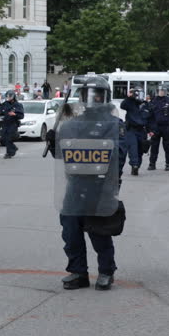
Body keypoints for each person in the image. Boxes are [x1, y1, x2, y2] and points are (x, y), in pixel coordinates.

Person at [47, 75, 126, 291]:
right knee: (71, 231)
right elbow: (61, 155)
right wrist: (54, 141)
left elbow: (119, 155)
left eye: (99, 95)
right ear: (82, 97)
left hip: (101, 186)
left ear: (106, 97)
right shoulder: (72, 124)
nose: (94, 99)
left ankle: (106, 271)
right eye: (90, 95)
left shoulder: (114, 125)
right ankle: (78, 272)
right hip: (75, 185)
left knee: (99, 231)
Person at [147, 85, 169, 171]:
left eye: (163, 90)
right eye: (159, 90)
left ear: (166, 92)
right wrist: (149, 129)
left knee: (167, 147)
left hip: (166, 128)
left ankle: (168, 164)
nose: (161, 92)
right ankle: (152, 164)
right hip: (155, 128)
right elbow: (149, 116)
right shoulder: (153, 101)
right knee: (154, 147)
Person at [120, 88, 149, 175]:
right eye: (137, 94)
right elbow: (123, 105)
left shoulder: (146, 105)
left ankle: (137, 165)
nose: (139, 96)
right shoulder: (130, 103)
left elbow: (151, 118)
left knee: (140, 150)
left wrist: (152, 130)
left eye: (141, 94)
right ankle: (134, 165)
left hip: (142, 130)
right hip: (131, 129)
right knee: (133, 149)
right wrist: (129, 97)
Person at [0, 90, 24, 159]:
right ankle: (13, 148)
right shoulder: (5, 104)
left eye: (10, 96)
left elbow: (21, 115)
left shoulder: (18, 105)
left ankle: (9, 153)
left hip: (13, 123)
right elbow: (1, 110)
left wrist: (15, 114)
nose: (8, 98)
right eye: (7, 96)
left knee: (9, 138)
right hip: (5, 123)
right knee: (3, 138)